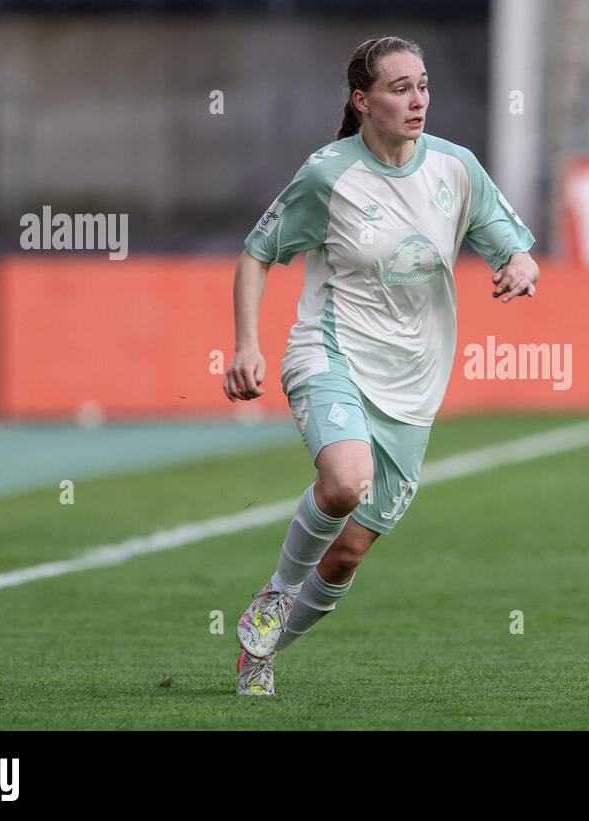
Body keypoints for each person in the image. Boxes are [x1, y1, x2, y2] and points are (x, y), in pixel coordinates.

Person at [224, 35, 540, 695]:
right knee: (344, 481)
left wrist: (517, 264)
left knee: (346, 554)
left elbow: (511, 244)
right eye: (399, 87)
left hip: (413, 391)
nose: (417, 98)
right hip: (330, 354)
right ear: (362, 101)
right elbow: (257, 252)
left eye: (422, 84)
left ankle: (261, 651)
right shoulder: (328, 175)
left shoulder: (456, 168)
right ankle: (277, 592)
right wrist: (247, 345)